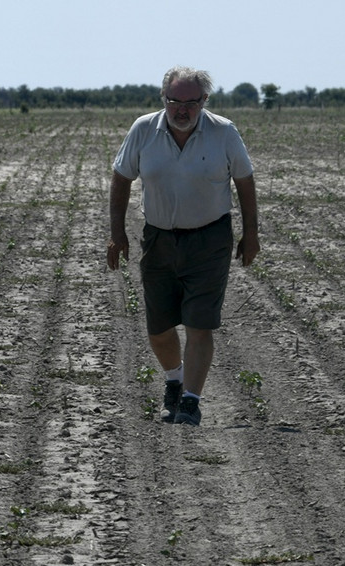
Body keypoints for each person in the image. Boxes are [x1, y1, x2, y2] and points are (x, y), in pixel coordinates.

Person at [106, 65, 260, 426]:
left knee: (198, 323)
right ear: (164, 98)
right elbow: (121, 177)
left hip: (209, 240)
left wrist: (251, 234)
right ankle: (174, 380)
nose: (182, 110)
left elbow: (245, 180)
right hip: (159, 239)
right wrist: (117, 233)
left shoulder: (223, 132)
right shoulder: (144, 129)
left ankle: (191, 401)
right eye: (175, 101)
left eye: (191, 103)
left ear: (204, 100)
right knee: (159, 328)